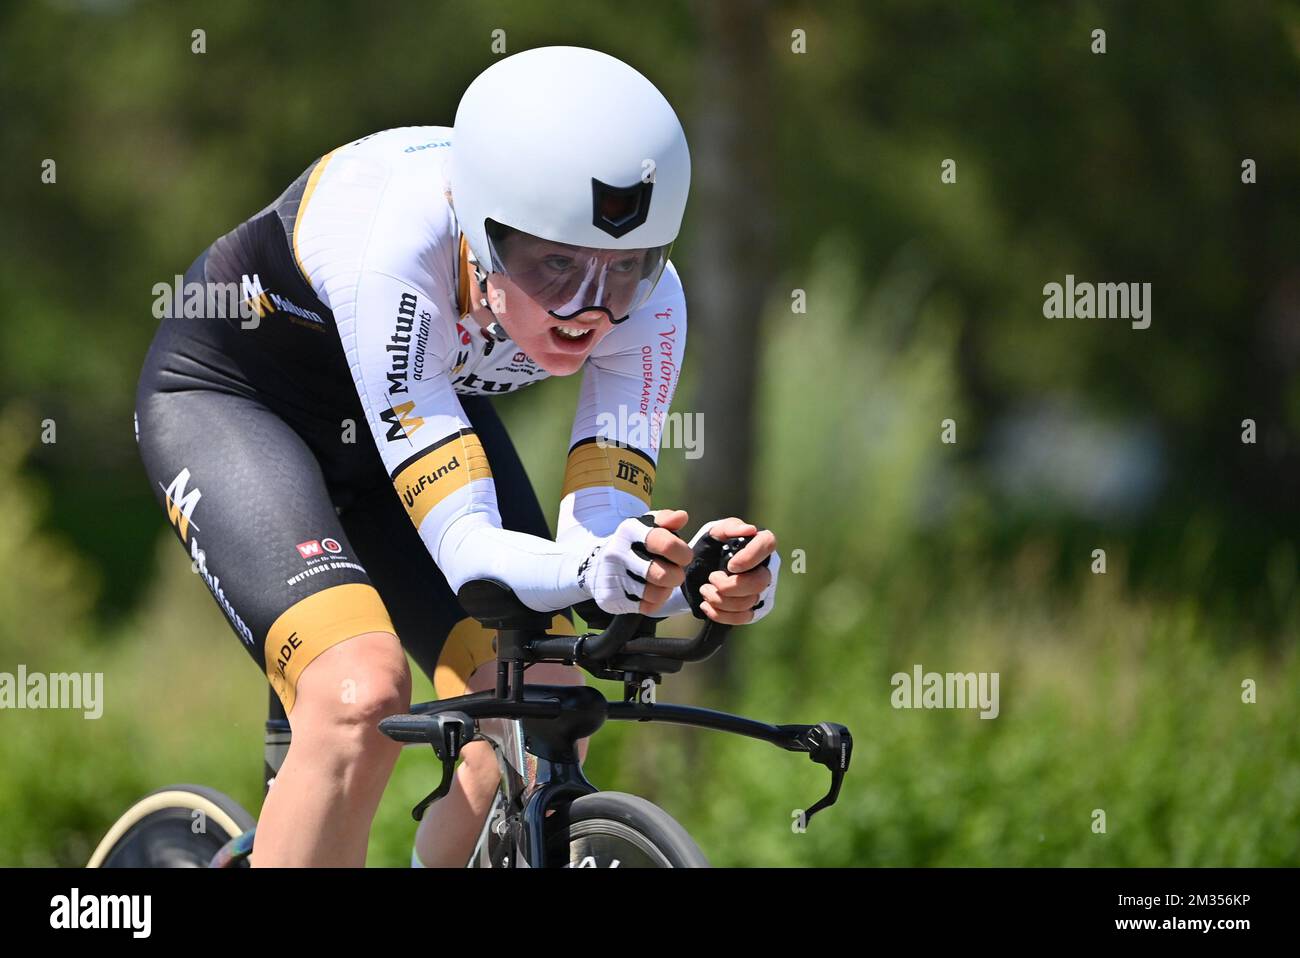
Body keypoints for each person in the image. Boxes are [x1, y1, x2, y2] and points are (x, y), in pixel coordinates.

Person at [135, 45, 780, 868]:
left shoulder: (653, 308)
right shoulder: (398, 249)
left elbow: (598, 536)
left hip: (409, 420)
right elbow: (469, 550)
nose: (591, 311)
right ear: (478, 236)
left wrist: (690, 578)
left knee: (538, 704)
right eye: (554, 264)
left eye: (625, 270)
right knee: (357, 698)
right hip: (239, 404)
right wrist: (596, 576)